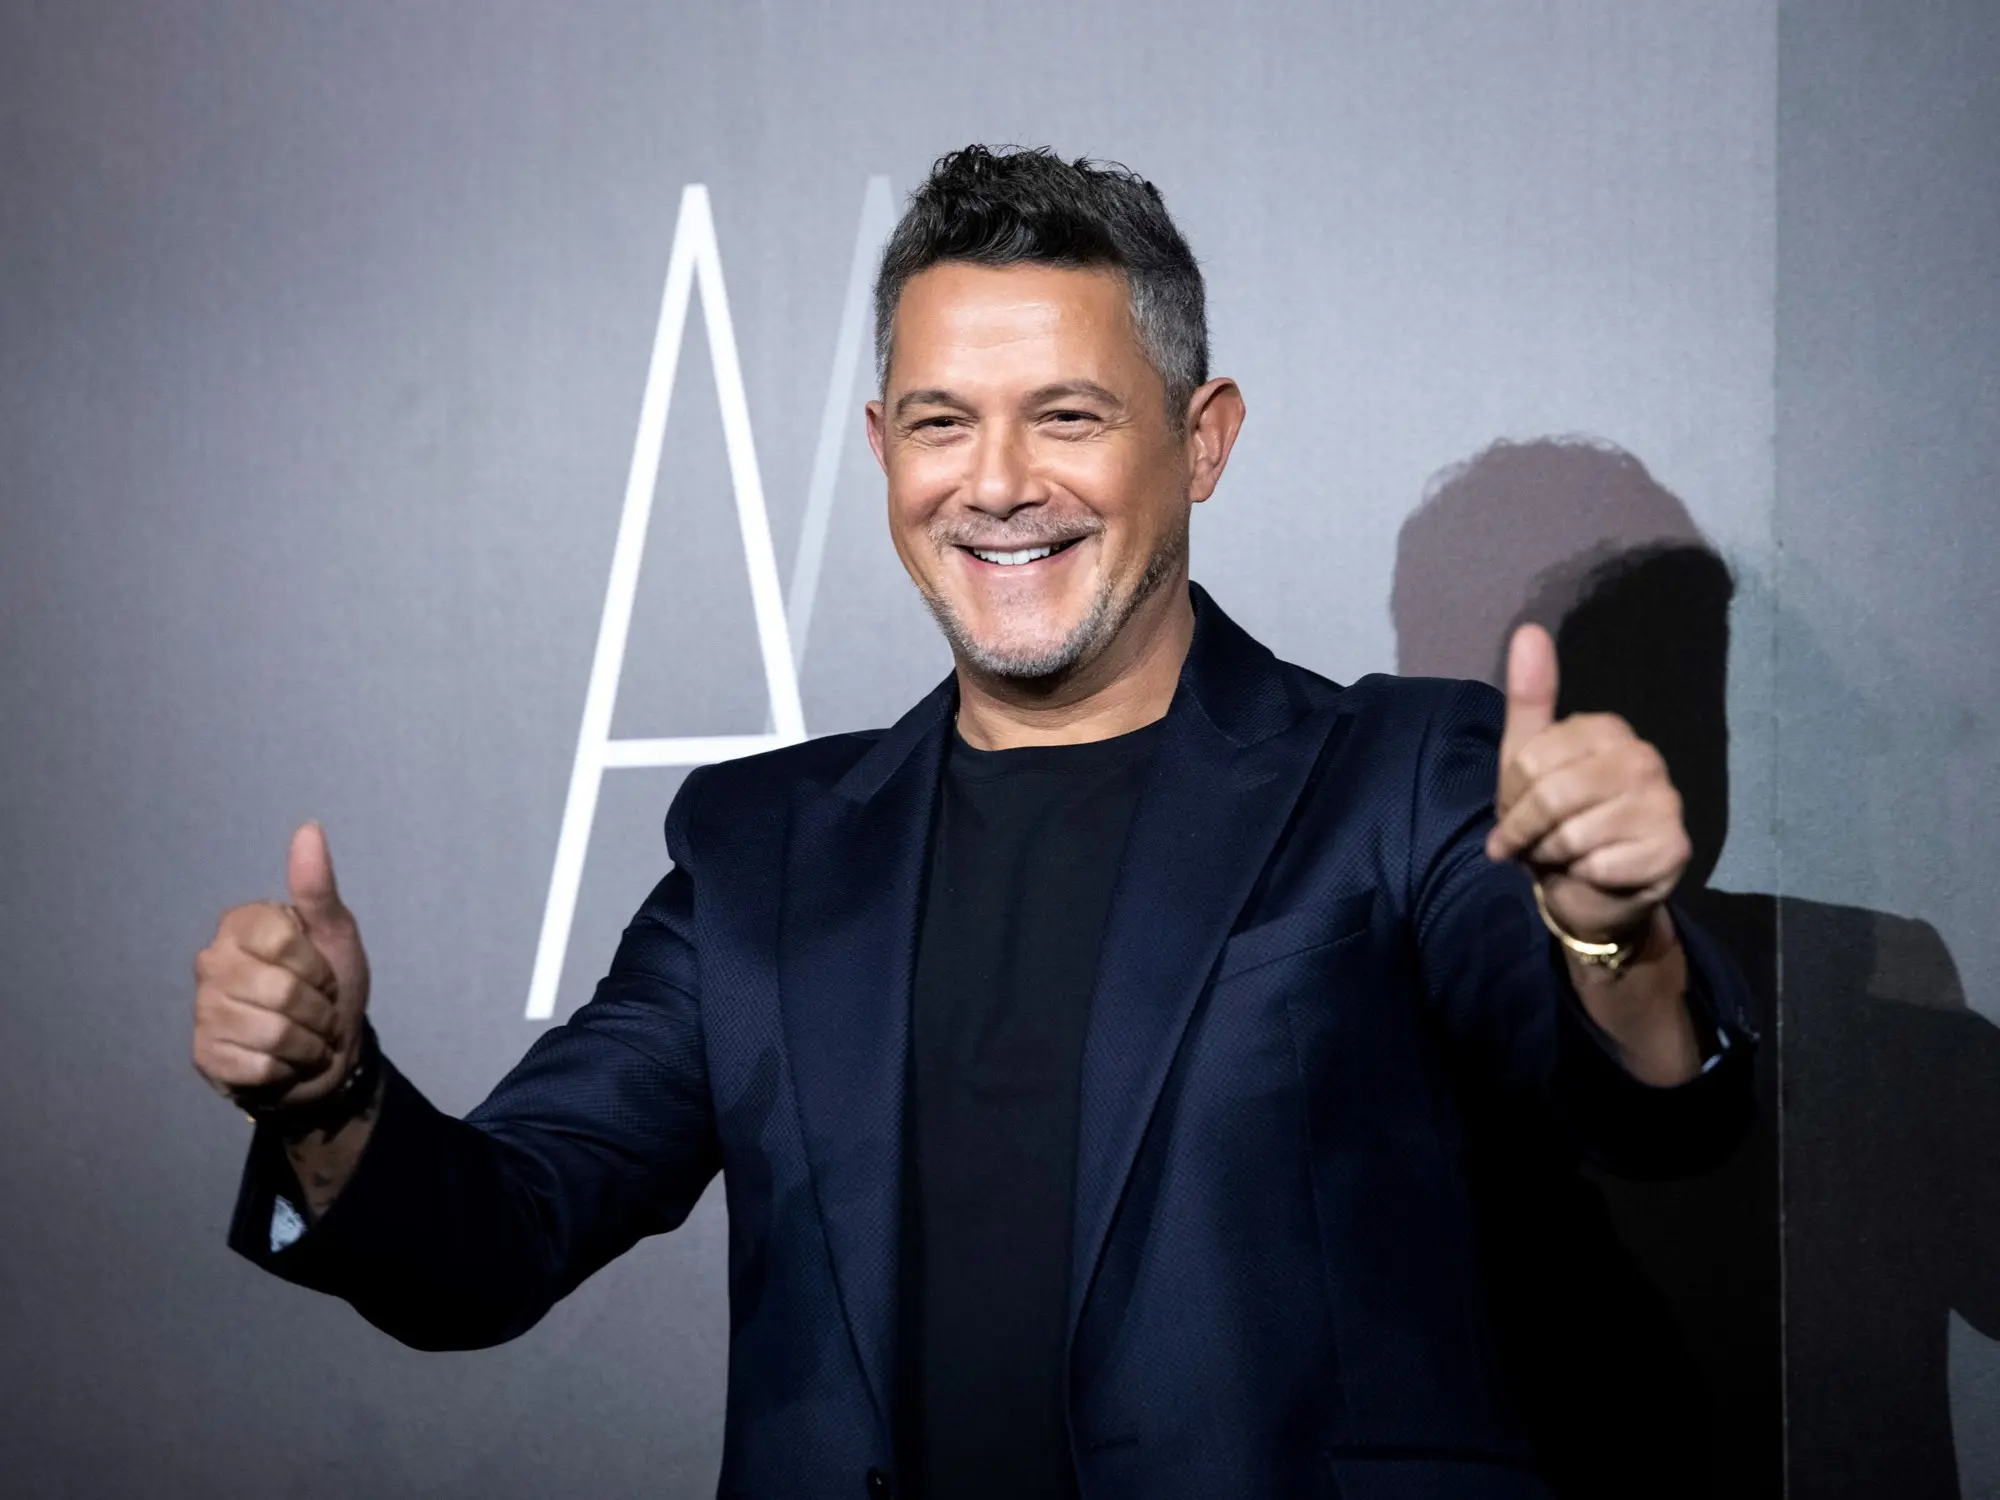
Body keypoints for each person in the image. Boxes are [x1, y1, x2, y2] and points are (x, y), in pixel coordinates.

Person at [191, 146, 1757, 1500]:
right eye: (943, 424)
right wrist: (331, 1099)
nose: (997, 484)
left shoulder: (1398, 782)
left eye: (1066, 416)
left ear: (1202, 439)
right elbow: (490, 1246)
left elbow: (1653, 1113)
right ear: (884, 451)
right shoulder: (764, 850)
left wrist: (1608, 933)